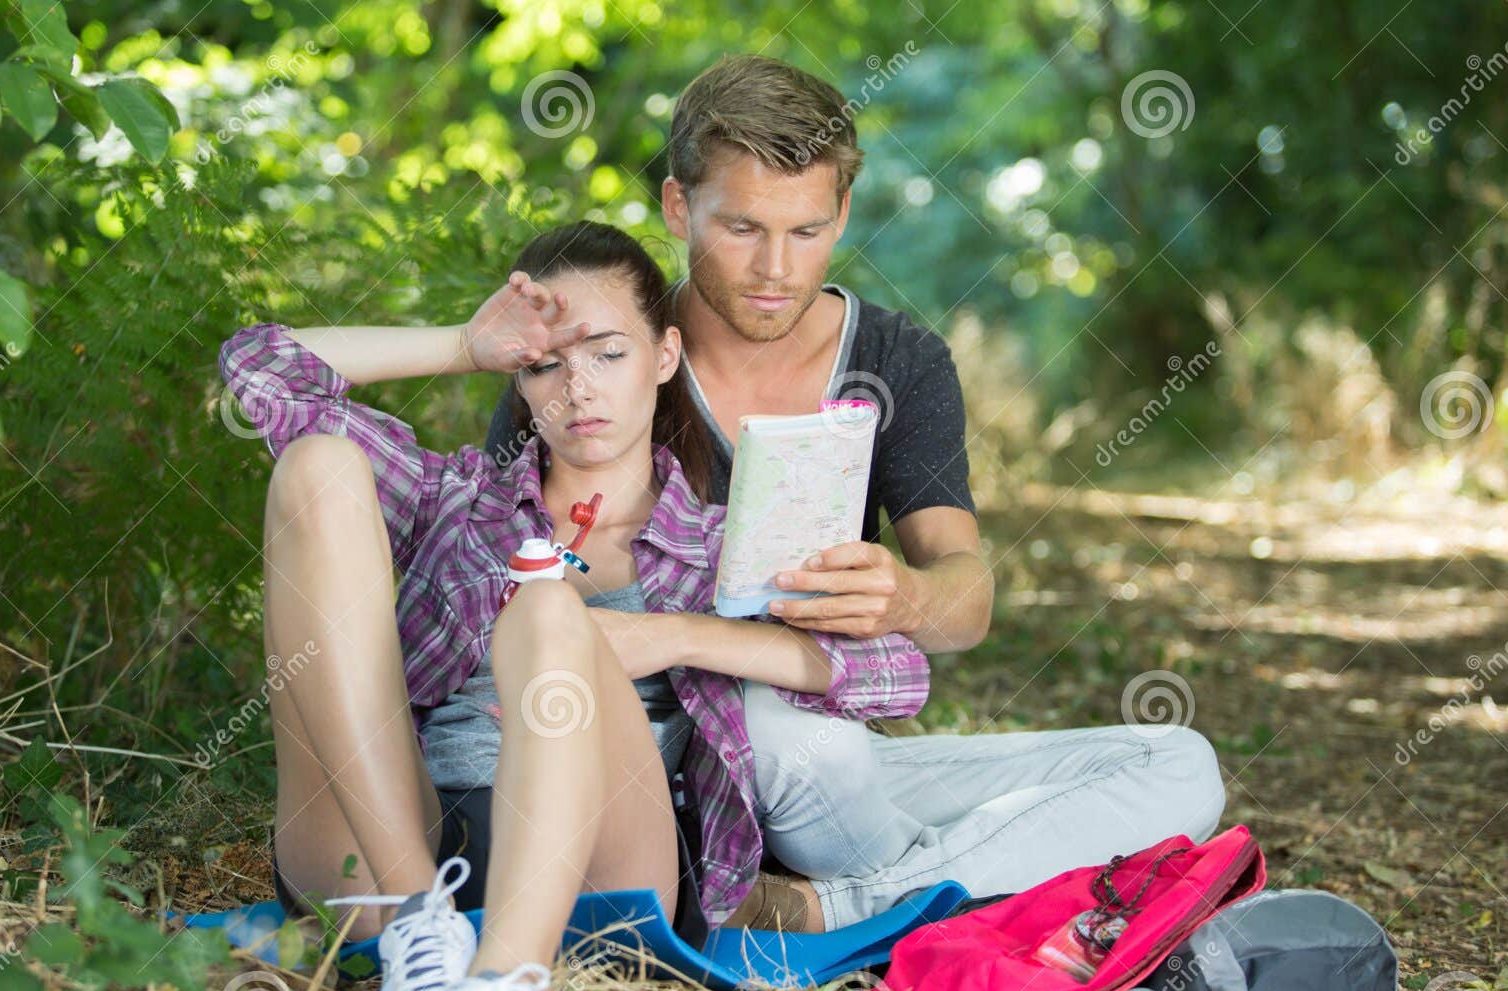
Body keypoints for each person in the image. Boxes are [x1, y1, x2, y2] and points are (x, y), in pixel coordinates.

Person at [486, 54, 1227, 933]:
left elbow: (966, 597)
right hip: (663, 760)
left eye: (807, 231)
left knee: (1179, 763)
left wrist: (906, 593)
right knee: (787, 735)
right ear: (678, 207)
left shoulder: (899, 361)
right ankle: (945, 890)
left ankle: (839, 906)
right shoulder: (596, 358)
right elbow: (503, 589)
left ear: (842, 210)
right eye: (743, 228)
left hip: (831, 762)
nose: (774, 269)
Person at [217, 220, 929, 991]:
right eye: (546, 363)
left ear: (665, 356)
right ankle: (424, 935)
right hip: (393, 841)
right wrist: (464, 343)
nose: (576, 389)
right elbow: (257, 370)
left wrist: (669, 634)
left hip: (600, 868)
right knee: (317, 466)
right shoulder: (458, 499)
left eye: (605, 353)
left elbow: (896, 671)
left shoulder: (721, 543)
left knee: (548, 611)